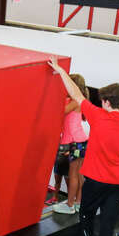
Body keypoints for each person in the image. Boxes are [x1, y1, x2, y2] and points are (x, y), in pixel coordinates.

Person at [47, 59, 119, 236]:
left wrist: (60, 70)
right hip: (117, 182)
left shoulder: (98, 117)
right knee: (108, 221)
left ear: (105, 102)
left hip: (95, 180)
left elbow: (77, 94)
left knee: (86, 215)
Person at [52, 73, 89, 214]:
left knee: (73, 174)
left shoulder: (75, 101)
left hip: (73, 142)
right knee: (79, 174)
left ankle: (69, 205)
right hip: (79, 140)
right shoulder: (77, 100)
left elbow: (60, 112)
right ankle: (78, 202)